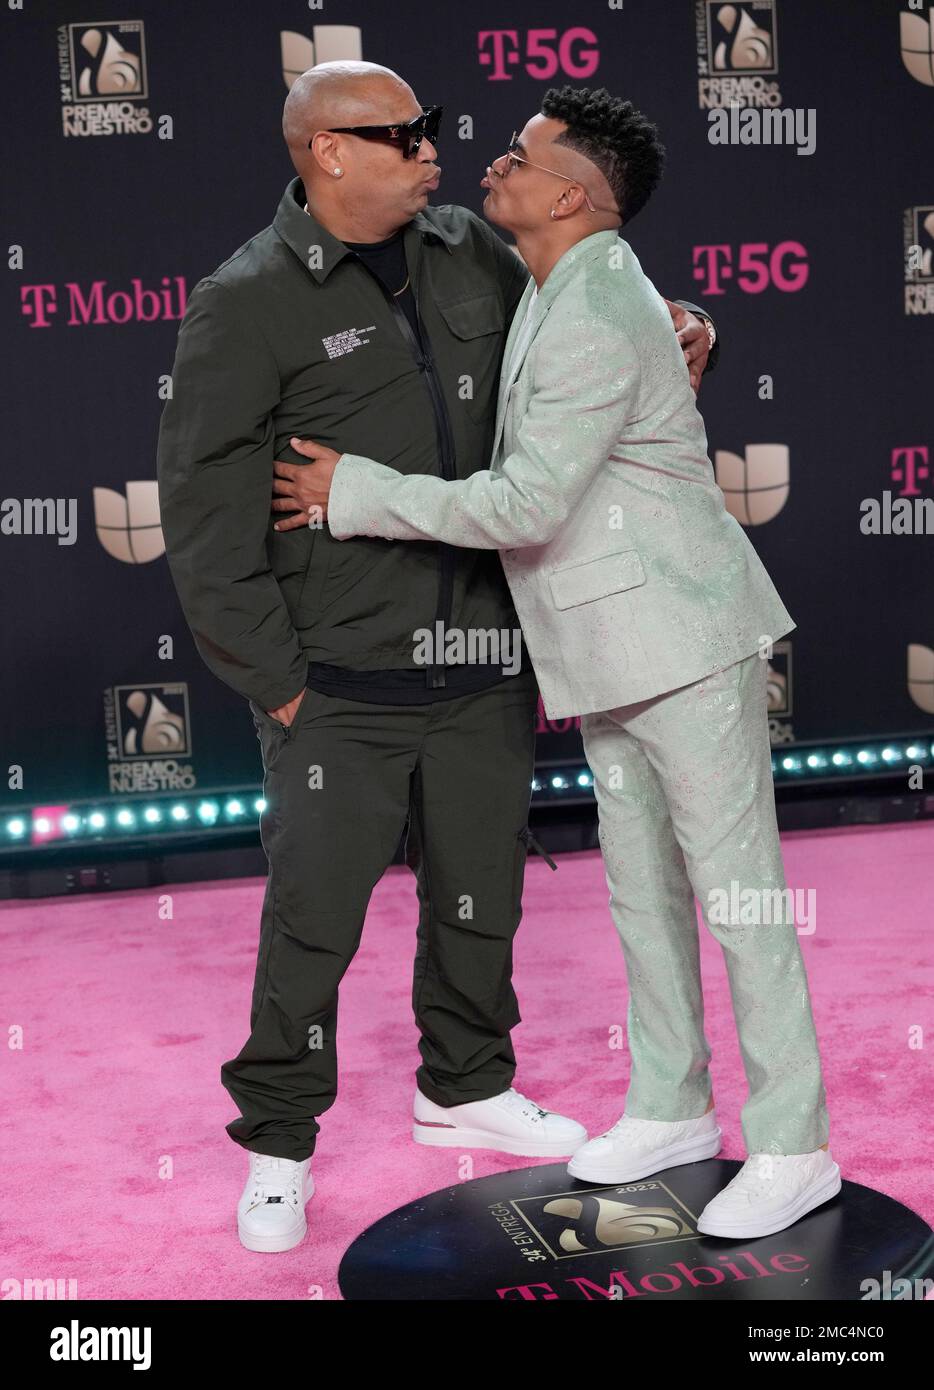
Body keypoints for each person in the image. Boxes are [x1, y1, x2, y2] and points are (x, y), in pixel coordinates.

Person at [156, 60, 715, 1253]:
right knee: (313, 924)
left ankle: (462, 1080)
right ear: (327, 153)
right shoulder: (242, 302)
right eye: (401, 134)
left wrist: (684, 324)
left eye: (435, 128)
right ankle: (278, 1144)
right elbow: (204, 524)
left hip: (484, 663)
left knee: (481, 898)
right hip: (338, 685)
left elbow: (595, 325)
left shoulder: (474, 248)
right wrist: (284, 683)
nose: (432, 149)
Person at [277, 85, 839, 1241]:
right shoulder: (564, 276)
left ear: (572, 196)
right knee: (640, 890)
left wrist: (356, 494)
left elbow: (528, 500)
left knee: (737, 901)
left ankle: (795, 1143)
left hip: (681, 640)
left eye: (521, 161)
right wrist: (689, 321)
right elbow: (631, 342)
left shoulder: (593, 301)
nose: (494, 168)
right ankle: (672, 1106)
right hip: (607, 647)